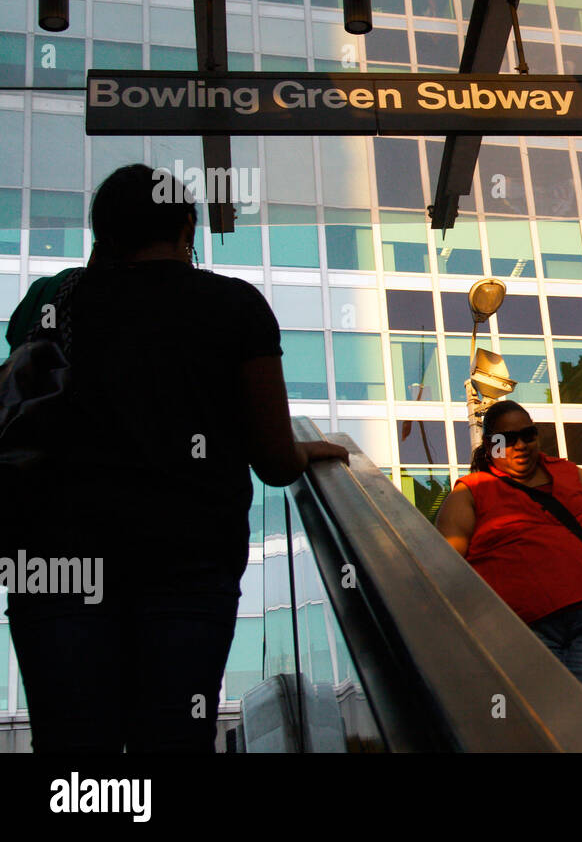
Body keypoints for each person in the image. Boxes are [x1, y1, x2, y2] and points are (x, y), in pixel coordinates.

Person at [3, 164, 348, 753]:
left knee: (71, 748)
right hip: (185, 565)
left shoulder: (50, 298)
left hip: (55, 561)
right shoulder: (234, 305)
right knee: (173, 738)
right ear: (187, 225)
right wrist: (305, 449)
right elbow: (274, 461)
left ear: (103, 232)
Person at [436, 400, 582, 723]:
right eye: (508, 439)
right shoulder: (469, 493)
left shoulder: (572, 475)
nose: (520, 445)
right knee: (545, 730)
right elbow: (445, 567)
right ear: (491, 446)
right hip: (523, 633)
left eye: (528, 434)